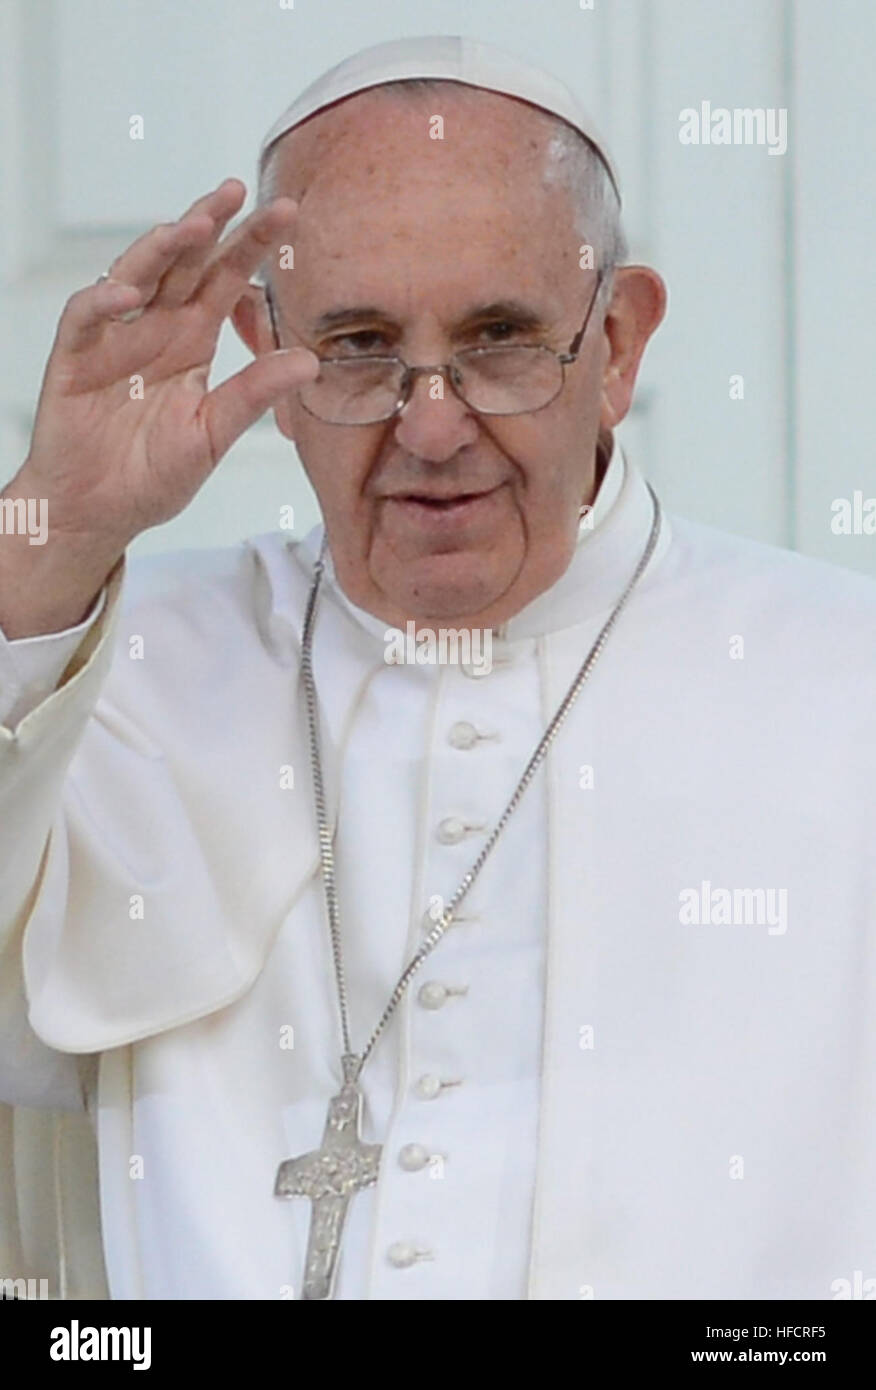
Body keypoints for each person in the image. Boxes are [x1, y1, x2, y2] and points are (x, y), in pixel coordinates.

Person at [1, 35, 875, 1302]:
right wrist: (45, 541)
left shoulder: (843, 685)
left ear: (618, 344)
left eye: (501, 339)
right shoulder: (107, 653)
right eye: (357, 347)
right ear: (267, 353)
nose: (429, 422)